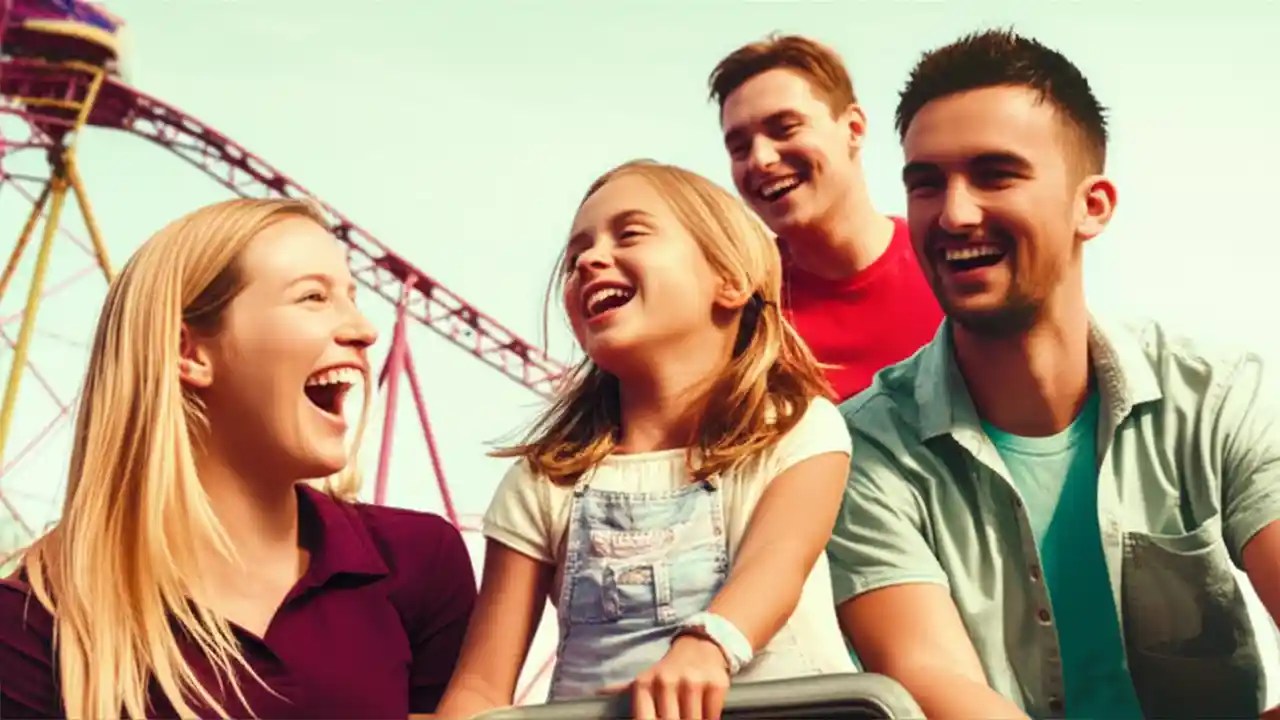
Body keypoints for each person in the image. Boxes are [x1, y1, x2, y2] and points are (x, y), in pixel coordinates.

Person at [826, 28, 1280, 719]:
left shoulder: (1218, 396)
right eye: (926, 184)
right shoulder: (865, 450)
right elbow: (931, 680)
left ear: (1091, 206)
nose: (953, 213)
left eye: (994, 174)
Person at [0, 198, 476, 719]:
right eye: (314, 297)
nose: (365, 329)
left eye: (352, 297)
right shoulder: (35, 619)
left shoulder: (418, 564)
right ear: (190, 352)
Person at [434, 160, 855, 720]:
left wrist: (709, 646)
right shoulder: (546, 479)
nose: (588, 259)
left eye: (629, 234)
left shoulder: (794, 429)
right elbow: (482, 684)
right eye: (576, 253)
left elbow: (776, 563)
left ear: (729, 280)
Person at [708, 34, 944, 401]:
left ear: (853, 128)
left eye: (784, 128)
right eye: (739, 148)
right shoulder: (737, 314)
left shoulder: (949, 263)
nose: (761, 159)